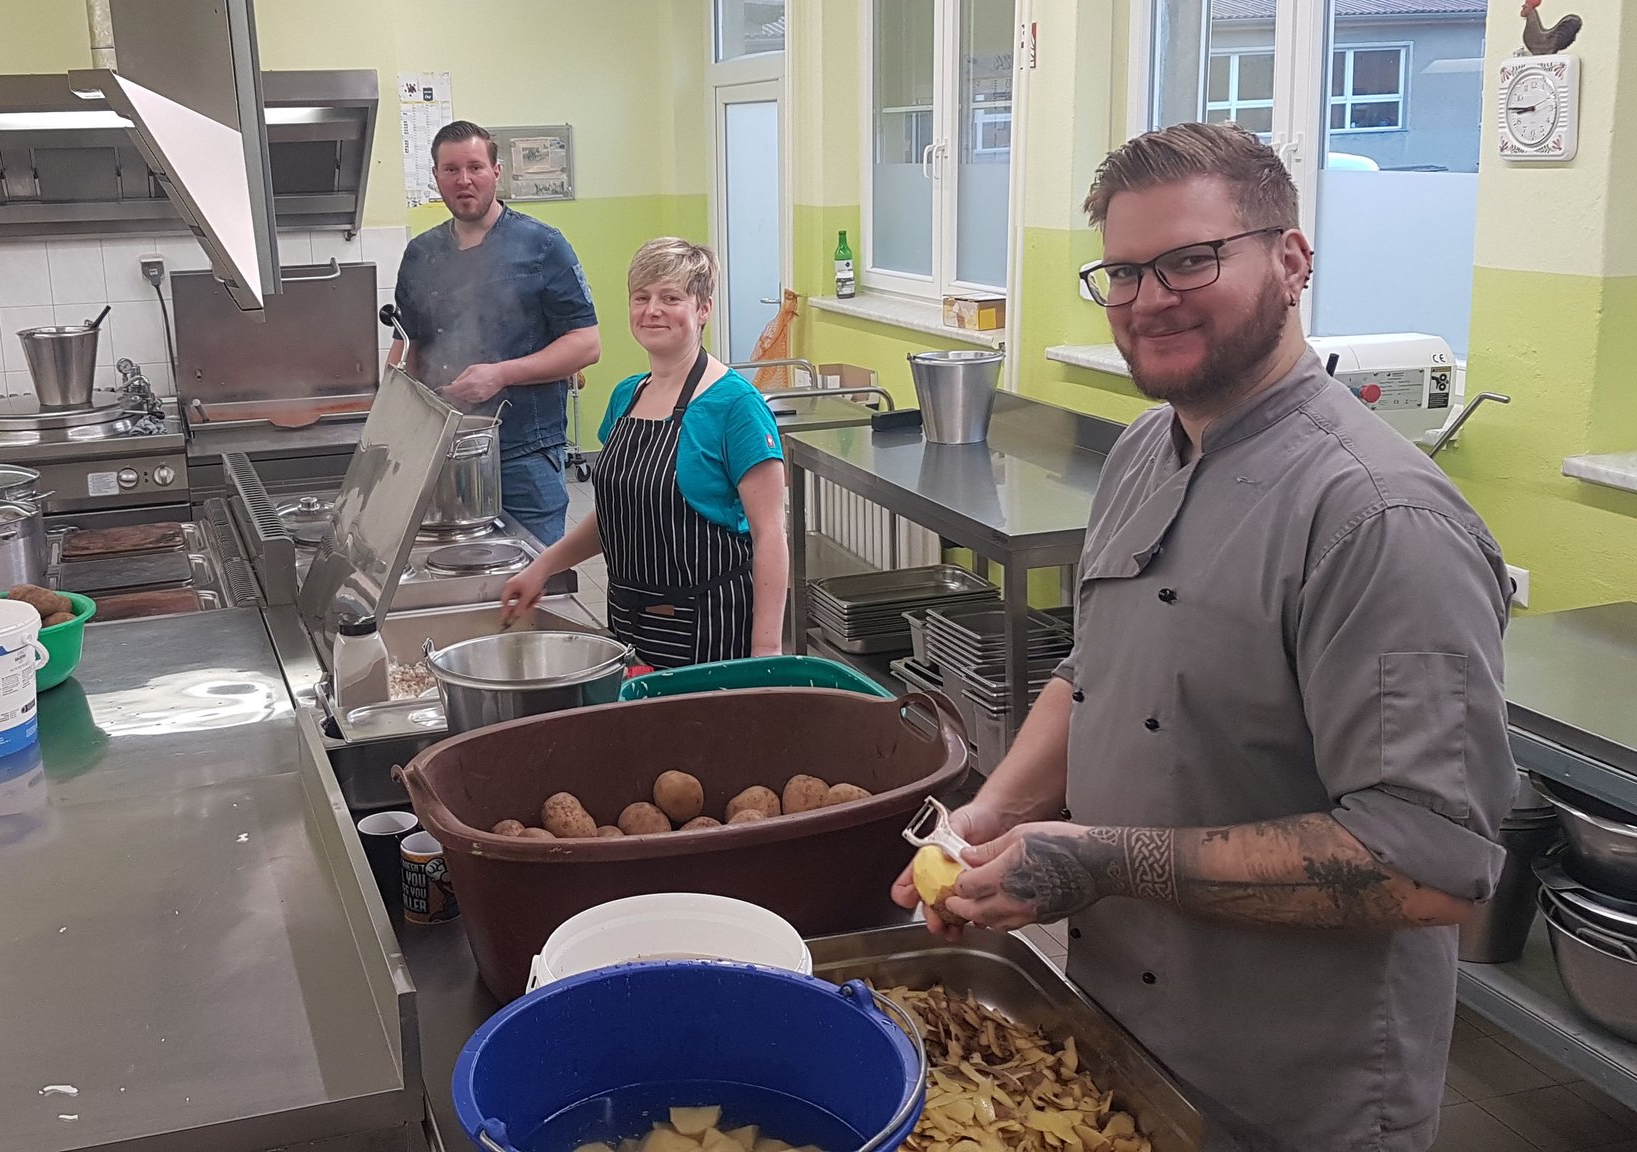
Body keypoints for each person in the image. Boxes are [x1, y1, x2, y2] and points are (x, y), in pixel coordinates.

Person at [892, 123, 1513, 1151]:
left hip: (1290, 1088)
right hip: (1119, 1036)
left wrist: (1102, 861)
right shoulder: (1145, 449)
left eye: (1189, 259)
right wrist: (983, 815)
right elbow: (1094, 677)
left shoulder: (1375, 519)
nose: (1148, 298)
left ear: (1291, 259)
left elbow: (1429, 866)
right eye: (1123, 271)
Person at [499, 239, 787, 667]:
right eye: (642, 297)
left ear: (703, 308)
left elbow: (770, 535)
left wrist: (766, 651)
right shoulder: (626, 396)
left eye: (671, 298)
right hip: (629, 622)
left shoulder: (736, 406)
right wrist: (541, 569)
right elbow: (618, 514)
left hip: (710, 631)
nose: (652, 310)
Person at [392, 121, 601, 544]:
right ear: (436, 177)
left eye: (475, 167)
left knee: (533, 580)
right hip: (443, 451)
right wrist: (396, 416)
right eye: (450, 170)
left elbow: (586, 344)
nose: (463, 180)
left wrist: (500, 374)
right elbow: (405, 346)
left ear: (496, 172)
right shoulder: (421, 254)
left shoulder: (543, 245)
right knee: (456, 579)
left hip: (524, 454)